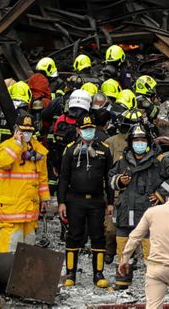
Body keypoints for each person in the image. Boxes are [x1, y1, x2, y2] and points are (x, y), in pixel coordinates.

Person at [111, 124, 169, 289]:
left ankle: (154, 284)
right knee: (123, 248)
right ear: (130, 142)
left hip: (148, 214)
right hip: (125, 213)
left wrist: (160, 193)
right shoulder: (123, 162)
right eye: (136, 140)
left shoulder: (159, 161)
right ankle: (122, 281)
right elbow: (110, 179)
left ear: (148, 142)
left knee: (151, 251)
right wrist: (118, 181)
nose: (139, 143)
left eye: (142, 140)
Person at [59, 115, 114, 288]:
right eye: (84, 129)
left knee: (98, 236)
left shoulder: (104, 150)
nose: (88, 132)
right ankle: (70, 274)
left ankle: (98, 274)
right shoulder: (70, 150)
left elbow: (109, 177)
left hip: (97, 200)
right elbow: (63, 178)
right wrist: (61, 202)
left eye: (91, 128)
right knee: (74, 236)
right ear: (78, 130)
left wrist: (110, 202)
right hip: (75, 200)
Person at [0, 115, 50, 252]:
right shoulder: (7, 147)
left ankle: (24, 273)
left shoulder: (38, 150)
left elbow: (42, 177)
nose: (26, 134)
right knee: (10, 245)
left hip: (30, 209)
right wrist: (17, 145)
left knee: (28, 247)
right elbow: (2, 162)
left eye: (29, 131)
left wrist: (45, 198)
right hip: (12, 209)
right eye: (23, 131)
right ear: (16, 130)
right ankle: (6, 273)